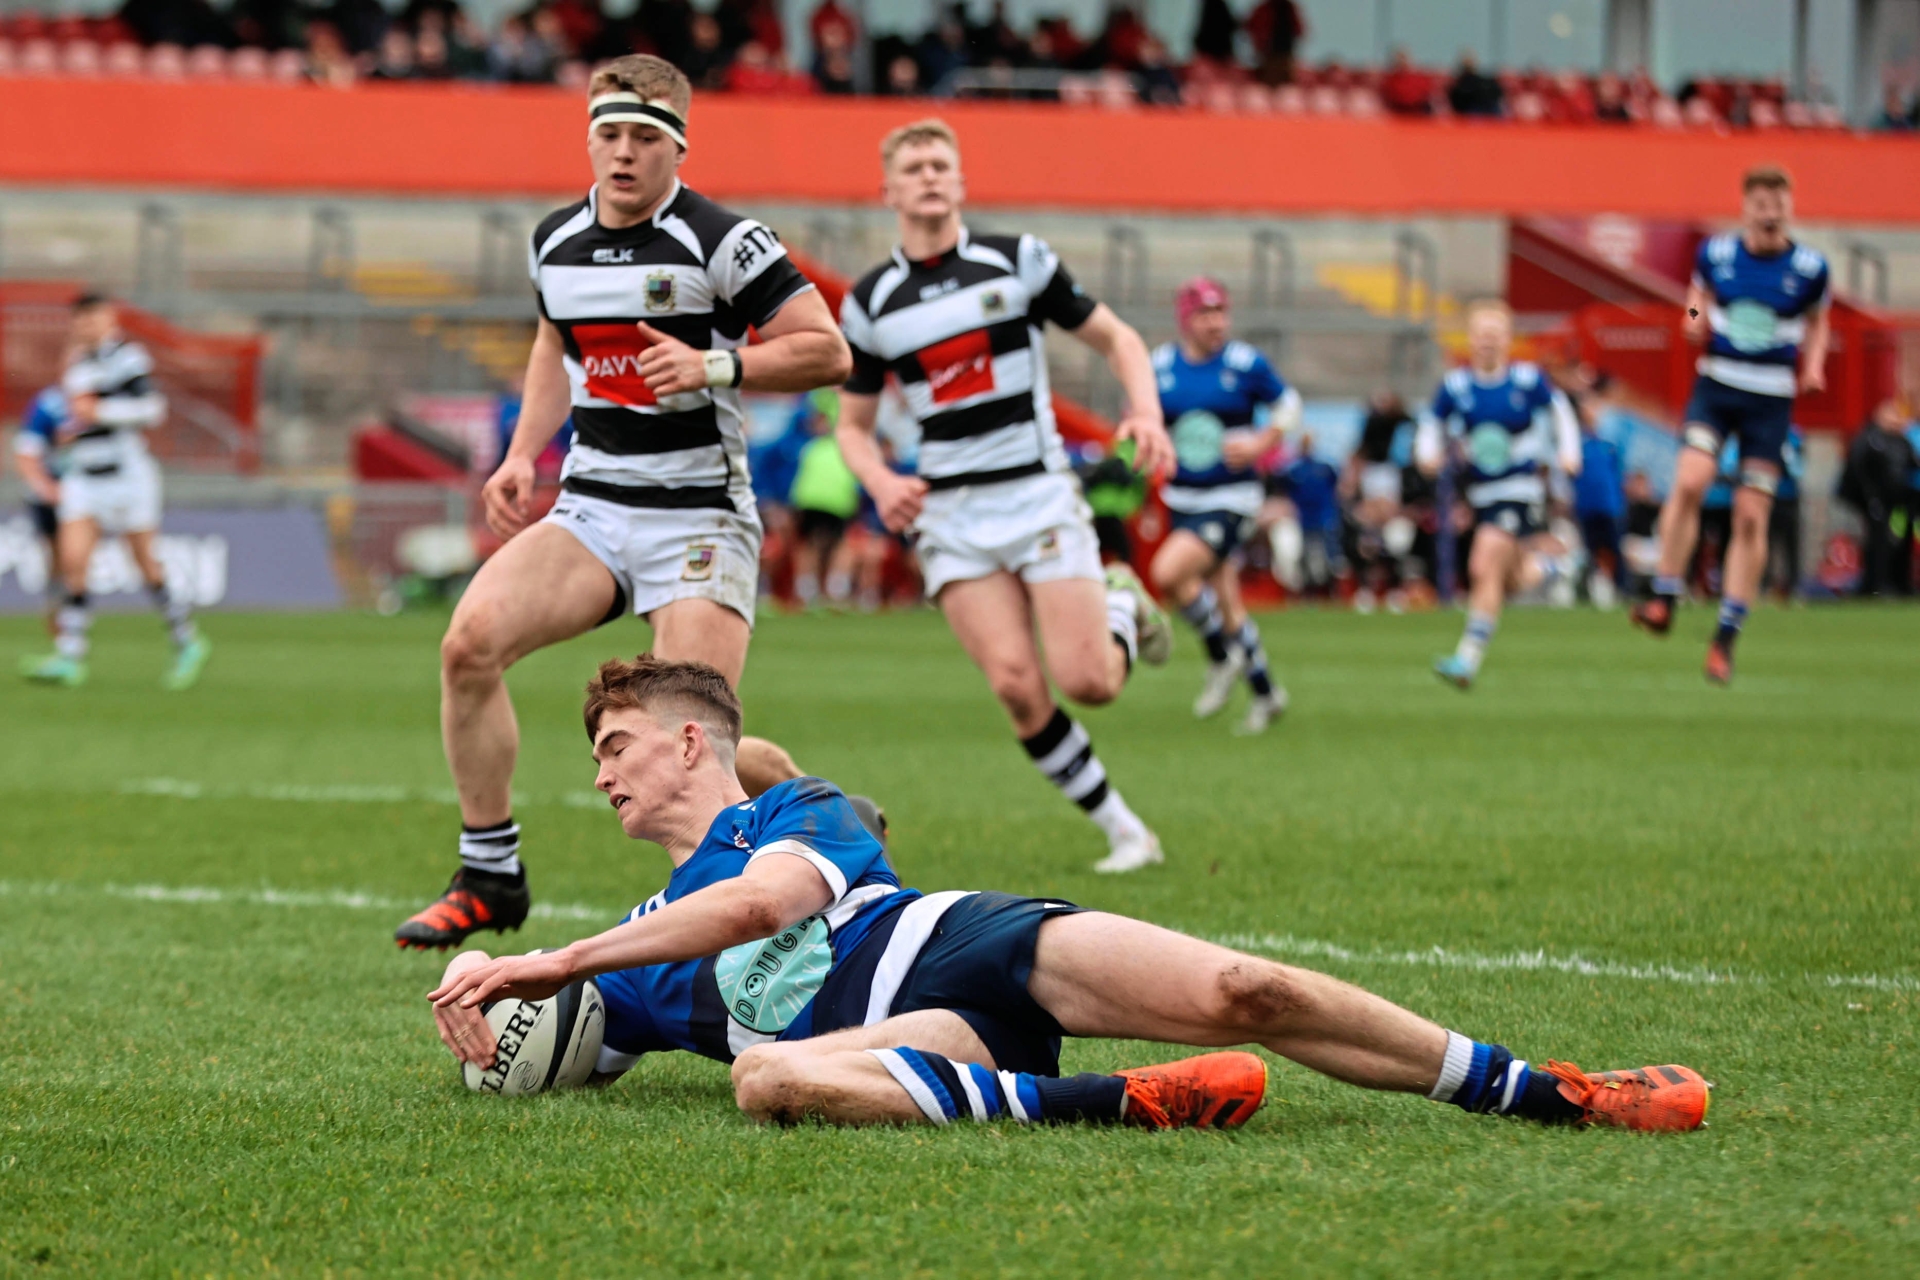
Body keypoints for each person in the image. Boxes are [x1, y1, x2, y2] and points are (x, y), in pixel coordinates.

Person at [429, 653, 1712, 1136]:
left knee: (1241, 986)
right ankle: (1118, 1103)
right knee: (768, 1080)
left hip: (969, 941)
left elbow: (764, 906)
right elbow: (560, 1053)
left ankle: (1552, 1088)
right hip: (904, 1042)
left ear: (691, 744)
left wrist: (552, 957)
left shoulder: (797, 811)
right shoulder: (630, 962)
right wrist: (488, 1011)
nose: (596, 772)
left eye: (614, 744)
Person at [393, 56, 856, 951]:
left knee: (690, 739)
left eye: (646, 137)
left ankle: (819, 824)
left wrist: (717, 364)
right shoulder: (553, 239)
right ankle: (490, 871)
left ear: (678, 146)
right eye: (610, 133)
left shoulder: (724, 239)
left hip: (699, 513)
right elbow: (552, 346)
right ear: (590, 137)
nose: (625, 151)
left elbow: (825, 349)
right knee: (468, 644)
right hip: (596, 506)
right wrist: (524, 452)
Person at [834, 119, 1175, 874]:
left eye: (941, 164)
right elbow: (851, 429)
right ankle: (1127, 832)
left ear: (960, 182)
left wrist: (1145, 413)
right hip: (951, 516)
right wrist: (883, 481)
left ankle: (1121, 603)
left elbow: (1118, 339)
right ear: (887, 189)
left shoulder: (1015, 261)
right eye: (914, 166)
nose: (929, 175)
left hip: (1037, 495)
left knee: (1090, 682)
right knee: (1018, 688)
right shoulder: (869, 304)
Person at [1630, 167, 1830, 684]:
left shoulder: (1810, 267)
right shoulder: (1716, 254)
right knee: (1691, 479)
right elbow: (1697, 294)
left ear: (1789, 206)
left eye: (1778, 201)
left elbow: (1818, 319)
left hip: (1770, 401)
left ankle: (1725, 636)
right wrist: (1693, 318)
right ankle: (1665, 593)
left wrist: (1812, 365)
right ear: (1745, 206)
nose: (1769, 210)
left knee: (1749, 515)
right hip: (1718, 387)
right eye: (1760, 201)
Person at [19, 294, 210, 691]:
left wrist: (99, 412)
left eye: (94, 319)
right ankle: (70, 655)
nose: (87, 327)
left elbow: (151, 409)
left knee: (146, 564)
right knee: (73, 562)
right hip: (85, 478)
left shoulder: (128, 358)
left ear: (108, 320)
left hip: (127, 478)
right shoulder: (77, 364)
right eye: (81, 320)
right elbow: (76, 416)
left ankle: (185, 639)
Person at [1148, 277, 1298, 733]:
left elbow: (1287, 405)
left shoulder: (1243, 362)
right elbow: (1144, 416)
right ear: (1185, 320)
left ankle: (1219, 656)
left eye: (1221, 313)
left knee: (1167, 574)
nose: (1216, 323)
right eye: (1205, 314)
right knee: (1228, 603)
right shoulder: (1161, 365)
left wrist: (1261, 443)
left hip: (1231, 498)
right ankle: (1267, 692)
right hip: (1183, 496)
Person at [1419, 300, 1580, 690]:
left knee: (1481, 565)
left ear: (1509, 341)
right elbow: (1430, 421)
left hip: (1519, 489)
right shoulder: (1457, 386)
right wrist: (1426, 453)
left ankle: (1467, 659)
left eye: (1496, 335)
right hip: (1482, 493)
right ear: (1470, 341)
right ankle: (1552, 568)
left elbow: (1560, 411)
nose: (1488, 343)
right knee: (1505, 578)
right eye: (1481, 335)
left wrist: (1569, 451)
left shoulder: (1526, 381)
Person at [1839, 398, 1916, 597]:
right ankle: (1875, 584)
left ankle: (1900, 583)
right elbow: (1859, 470)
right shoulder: (1870, 438)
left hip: (1899, 503)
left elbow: (1911, 465)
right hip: (1874, 501)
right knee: (1878, 541)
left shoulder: (1901, 440)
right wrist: (1869, 497)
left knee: (1900, 541)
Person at [11, 385, 68, 631]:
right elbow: (26, 452)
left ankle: (71, 611)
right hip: (51, 492)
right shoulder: (50, 404)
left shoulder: (105, 402)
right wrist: (46, 488)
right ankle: (57, 609)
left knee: (75, 552)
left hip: (85, 492)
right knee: (56, 552)